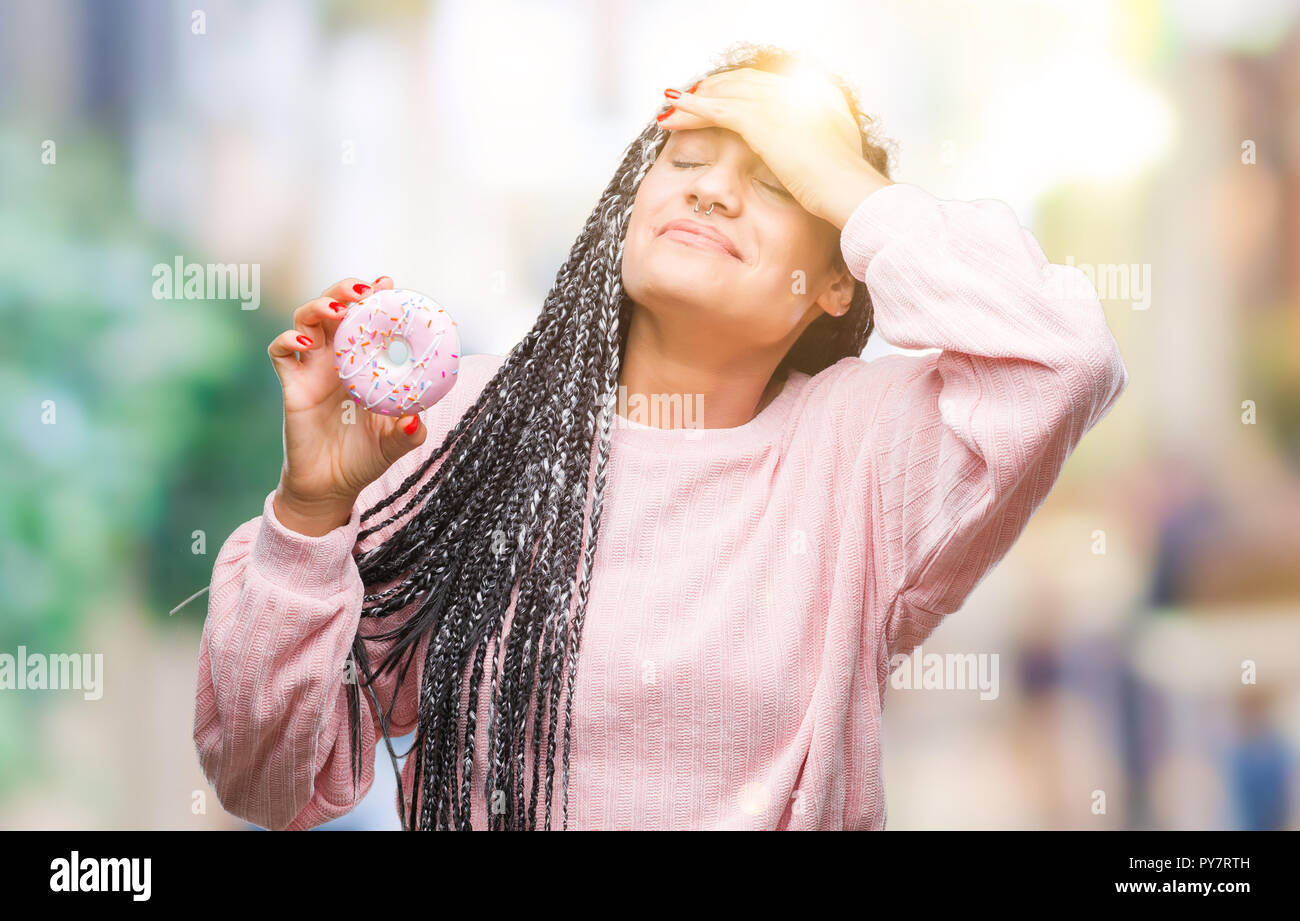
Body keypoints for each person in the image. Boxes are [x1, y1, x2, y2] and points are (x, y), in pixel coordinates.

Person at [192, 42, 1129, 831]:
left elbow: (1062, 359)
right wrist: (310, 517)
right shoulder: (460, 429)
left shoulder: (862, 457)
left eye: (777, 179)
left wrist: (844, 175)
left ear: (839, 275)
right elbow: (266, 780)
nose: (713, 193)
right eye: (685, 162)